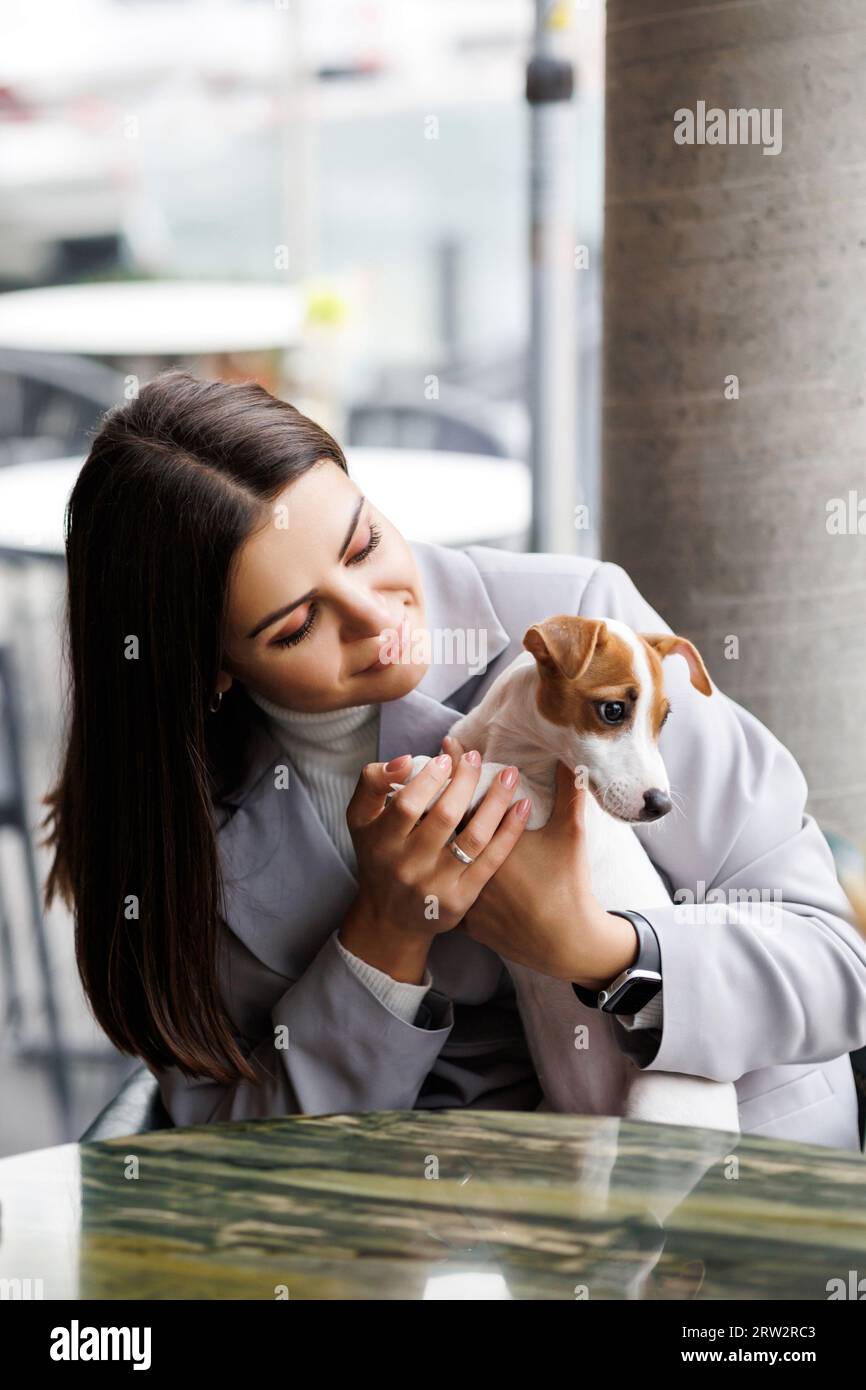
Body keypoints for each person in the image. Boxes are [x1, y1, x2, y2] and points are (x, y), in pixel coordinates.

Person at [42, 370, 866, 1149]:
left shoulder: (583, 631)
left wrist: (600, 949)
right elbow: (229, 1149)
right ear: (210, 668)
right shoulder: (178, 824)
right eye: (296, 627)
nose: (378, 619)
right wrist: (382, 940)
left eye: (363, 544)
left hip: (737, 1198)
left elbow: (837, 966)